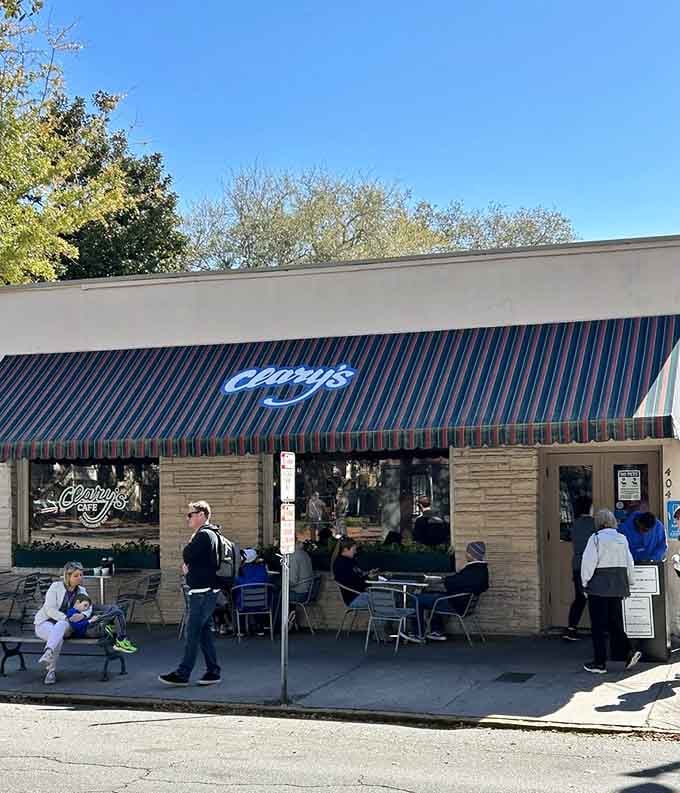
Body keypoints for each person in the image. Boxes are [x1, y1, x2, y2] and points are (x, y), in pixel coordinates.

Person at [159, 500, 222, 686]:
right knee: (204, 633)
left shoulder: (203, 535)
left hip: (202, 593)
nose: (188, 517)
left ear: (202, 515)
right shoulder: (211, 534)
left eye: (191, 514)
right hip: (207, 591)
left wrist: (190, 544)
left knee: (192, 632)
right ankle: (213, 671)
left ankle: (183, 673)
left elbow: (187, 554)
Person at [581, 508, 641, 674]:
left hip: (599, 587)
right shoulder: (622, 538)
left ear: (598, 522)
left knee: (598, 626)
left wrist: (584, 582)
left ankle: (599, 663)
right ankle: (625, 653)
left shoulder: (595, 539)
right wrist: (630, 581)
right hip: (617, 586)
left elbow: (588, 564)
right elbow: (630, 562)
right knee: (615, 622)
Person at [417, 541, 489, 641]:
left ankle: (418, 633)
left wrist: (444, 580)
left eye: (467, 552)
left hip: (456, 604)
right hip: (464, 604)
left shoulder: (472, 570)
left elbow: (454, 582)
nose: (466, 554)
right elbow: (461, 582)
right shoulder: (482, 570)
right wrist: (448, 581)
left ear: (471, 554)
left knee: (417, 599)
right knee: (432, 595)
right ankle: (436, 631)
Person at [34, 561, 90, 685]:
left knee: (60, 627)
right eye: (76, 575)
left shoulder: (82, 591)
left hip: (66, 626)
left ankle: (48, 653)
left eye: (81, 575)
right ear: (67, 576)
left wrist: (83, 615)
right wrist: (66, 617)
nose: (79, 578)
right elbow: (49, 609)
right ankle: (50, 671)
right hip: (44, 623)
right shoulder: (55, 587)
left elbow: (89, 607)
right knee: (57, 636)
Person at [563, 495, 595, 641]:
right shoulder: (594, 524)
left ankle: (571, 629)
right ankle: (599, 629)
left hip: (577, 564)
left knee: (579, 598)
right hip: (593, 565)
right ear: (590, 508)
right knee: (596, 598)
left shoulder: (574, 525)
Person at [66, 594, 137, 651]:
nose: (86, 609)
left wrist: (89, 619)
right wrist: (89, 620)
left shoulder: (79, 612)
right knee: (117, 612)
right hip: (89, 631)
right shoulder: (71, 612)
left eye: (87, 607)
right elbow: (76, 627)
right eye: (85, 605)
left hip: (92, 626)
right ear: (77, 602)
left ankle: (115, 631)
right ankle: (120, 639)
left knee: (115, 609)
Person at [233, 548, 272, 637]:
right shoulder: (262, 569)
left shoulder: (241, 571)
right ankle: (260, 627)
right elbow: (267, 582)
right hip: (262, 604)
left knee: (236, 597)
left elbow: (235, 586)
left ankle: (241, 629)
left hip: (243, 605)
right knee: (264, 597)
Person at [331, 537, 374, 609]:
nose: (355, 552)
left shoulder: (349, 560)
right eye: (354, 549)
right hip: (353, 597)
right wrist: (368, 577)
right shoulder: (341, 564)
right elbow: (354, 583)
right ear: (345, 549)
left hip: (358, 594)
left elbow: (356, 576)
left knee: (388, 598)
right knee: (384, 601)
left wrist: (368, 573)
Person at [289, 540, 314, 605]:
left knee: (274, 595)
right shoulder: (304, 553)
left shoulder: (293, 556)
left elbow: (292, 582)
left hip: (299, 594)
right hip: (308, 591)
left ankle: (281, 615)